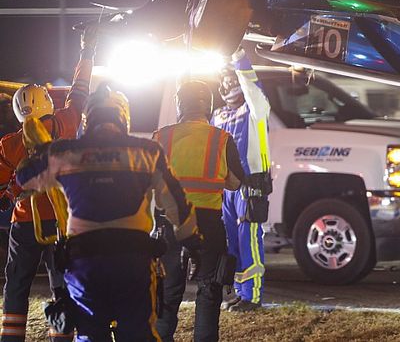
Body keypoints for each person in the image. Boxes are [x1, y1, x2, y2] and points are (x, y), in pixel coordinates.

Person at [15, 87, 199, 342]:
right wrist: (191, 239)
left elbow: (25, 179)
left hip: (83, 265)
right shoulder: (148, 151)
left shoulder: (64, 152)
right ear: (124, 117)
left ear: (88, 119)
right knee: (138, 334)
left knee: (90, 334)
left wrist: (41, 153)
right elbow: (176, 203)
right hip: (133, 262)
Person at [0, 29, 95, 342]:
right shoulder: (64, 123)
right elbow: (79, 91)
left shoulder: (8, 145)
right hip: (61, 222)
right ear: (46, 104)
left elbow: (2, 193)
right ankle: (61, 337)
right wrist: (86, 52)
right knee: (61, 284)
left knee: (16, 286)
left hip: (24, 225)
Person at [154, 80, 245, 342]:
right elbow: (236, 182)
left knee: (166, 294)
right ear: (209, 105)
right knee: (208, 291)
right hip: (208, 223)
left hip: (169, 222)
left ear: (180, 104)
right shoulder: (222, 138)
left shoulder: (161, 136)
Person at [212, 49, 272, 312]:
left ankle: (252, 296)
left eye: (231, 79)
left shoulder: (255, 107)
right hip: (226, 188)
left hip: (251, 184)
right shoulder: (218, 115)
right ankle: (239, 292)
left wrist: (238, 58)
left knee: (249, 239)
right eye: (223, 80)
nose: (227, 84)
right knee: (231, 241)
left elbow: (252, 87)